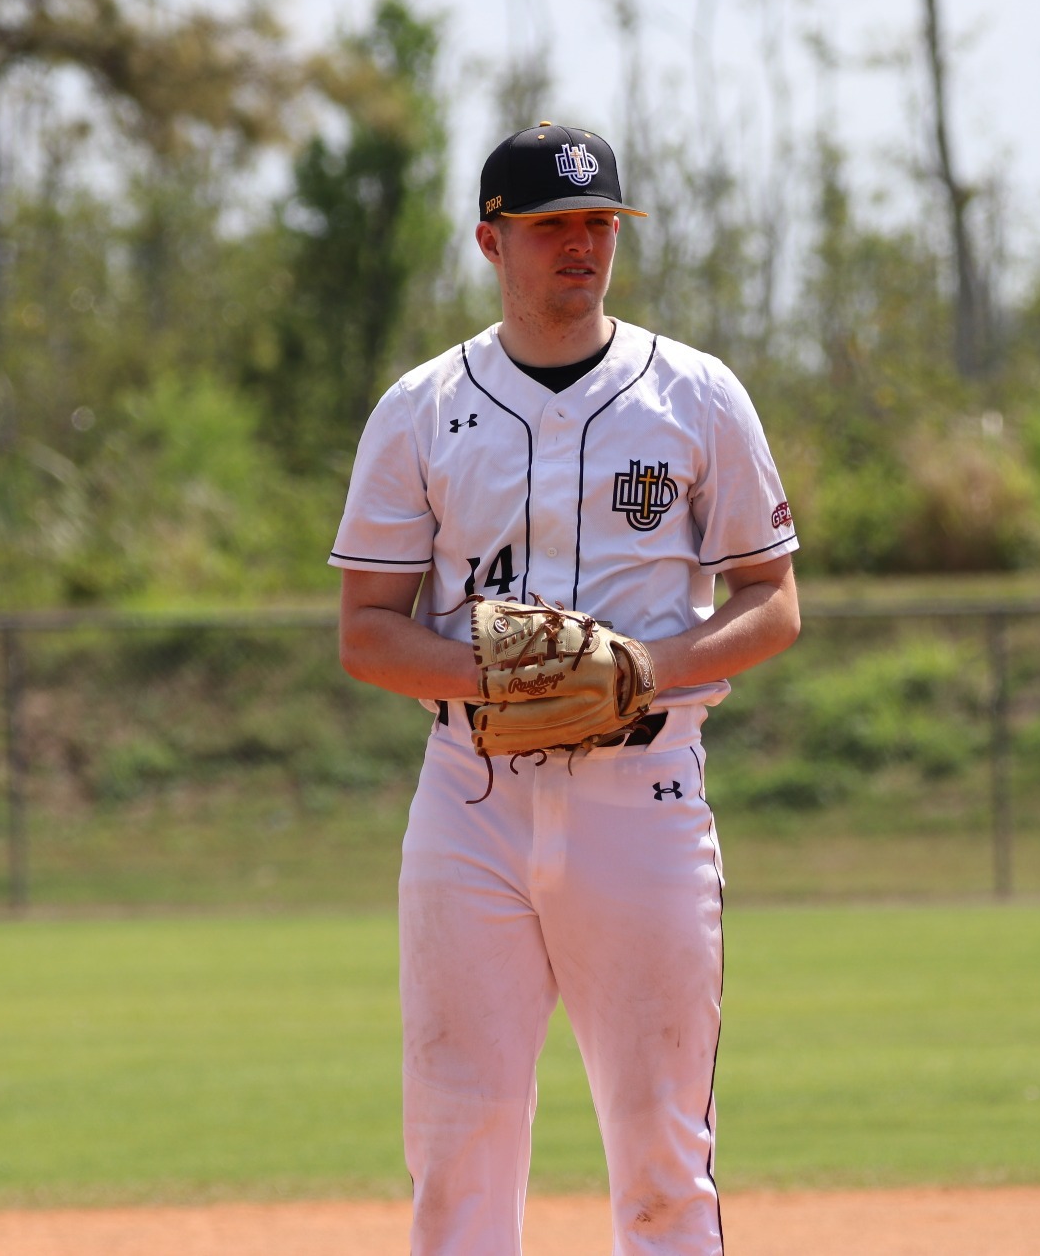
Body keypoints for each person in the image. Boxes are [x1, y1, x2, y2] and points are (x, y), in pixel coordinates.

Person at [332, 121, 802, 1255]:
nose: (580, 246)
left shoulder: (693, 394)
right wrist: (505, 679)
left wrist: (636, 670)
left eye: (599, 223)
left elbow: (771, 602)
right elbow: (365, 633)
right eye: (551, 226)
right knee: (458, 1145)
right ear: (492, 240)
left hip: (639, 795)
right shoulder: (420, 407)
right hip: (469, 800)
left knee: (659, 1154)